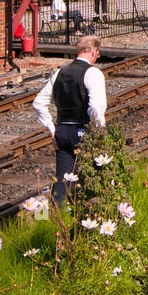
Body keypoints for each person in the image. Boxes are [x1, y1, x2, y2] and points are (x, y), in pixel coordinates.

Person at [33, 35, 107, 205]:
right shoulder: (93, 73)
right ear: (94, 51)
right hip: (84, 131)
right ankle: (86, 214)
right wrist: (99, 131)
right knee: (93, 177)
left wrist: (52, 130)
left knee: (62, 182)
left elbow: (38, 103)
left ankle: (50, 219)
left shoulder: (59, 72)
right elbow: (96, 106)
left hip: (62, 132)